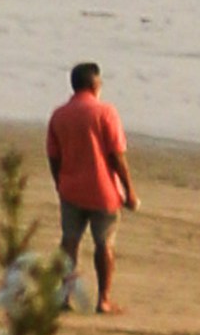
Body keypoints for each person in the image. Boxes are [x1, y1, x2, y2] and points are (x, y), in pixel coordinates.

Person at [44, 58, 137, 314]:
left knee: (70, 243)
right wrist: (130, 191)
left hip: (71, 189)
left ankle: (64, 297)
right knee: (104, 245)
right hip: (103, 191)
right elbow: (117, 155)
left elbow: (53, 156)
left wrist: (59, 182)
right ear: (95, 84)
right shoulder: (105, 112)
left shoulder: (59, 115)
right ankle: (103, 299)